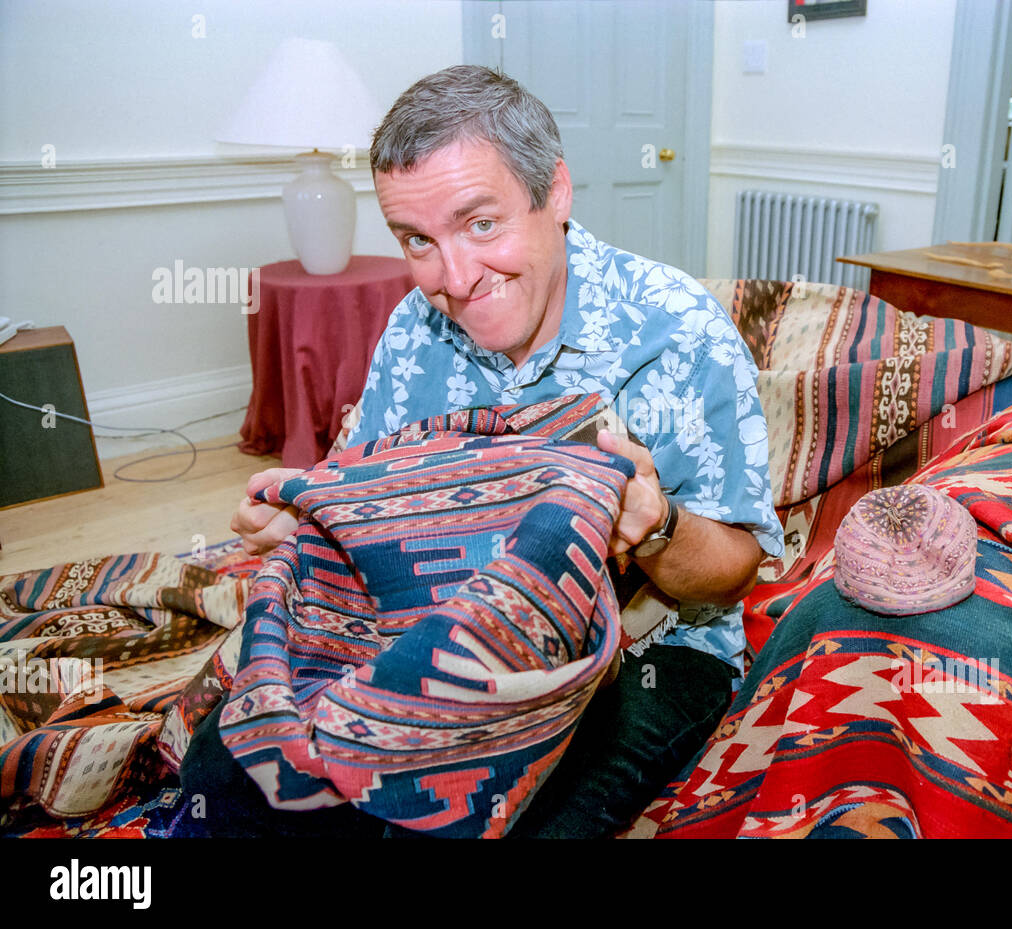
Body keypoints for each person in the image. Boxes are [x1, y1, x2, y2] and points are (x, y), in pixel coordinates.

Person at [183, 65, 784, 838]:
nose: (455, 279)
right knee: (230, 769)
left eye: (481, 224)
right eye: (418, 242)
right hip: (427, 621)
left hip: (648, 649)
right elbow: (362, 491)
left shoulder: (676, 331)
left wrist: (655, 524)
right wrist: (305, 514)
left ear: (556, 192)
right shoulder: (411, 328)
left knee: (482, 817)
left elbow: (734, 571)